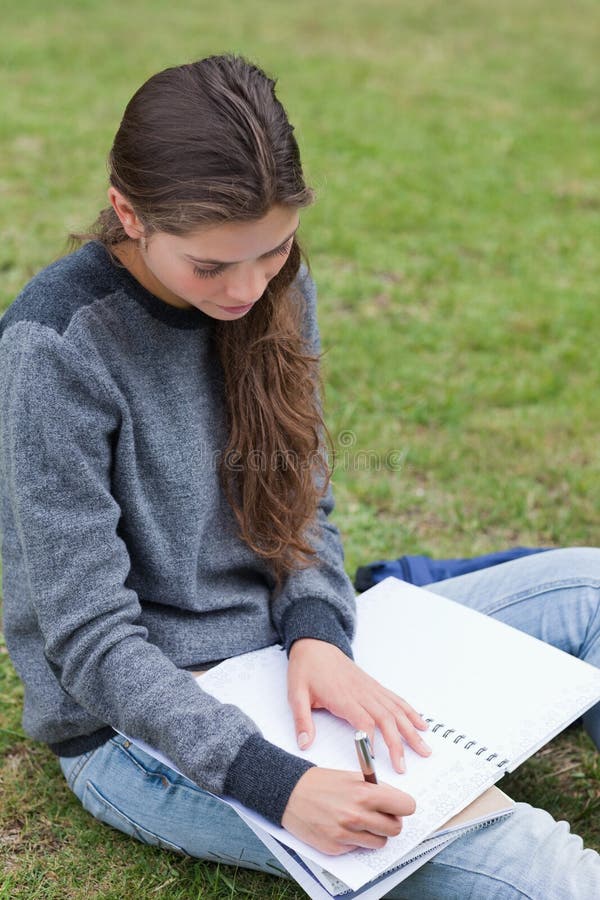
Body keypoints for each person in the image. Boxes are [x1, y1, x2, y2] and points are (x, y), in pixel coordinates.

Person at [1, 53, 600, 899]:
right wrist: (276, 785)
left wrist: (318, 630)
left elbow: (301, 498)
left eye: (274, 250)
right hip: (143, 727)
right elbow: (89, 641)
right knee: (530, 863)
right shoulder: (55, 350)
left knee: (592, 590)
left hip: (293, 655)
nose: (248, 286)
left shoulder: (274, 285)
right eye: (210, 267)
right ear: (127, 213)